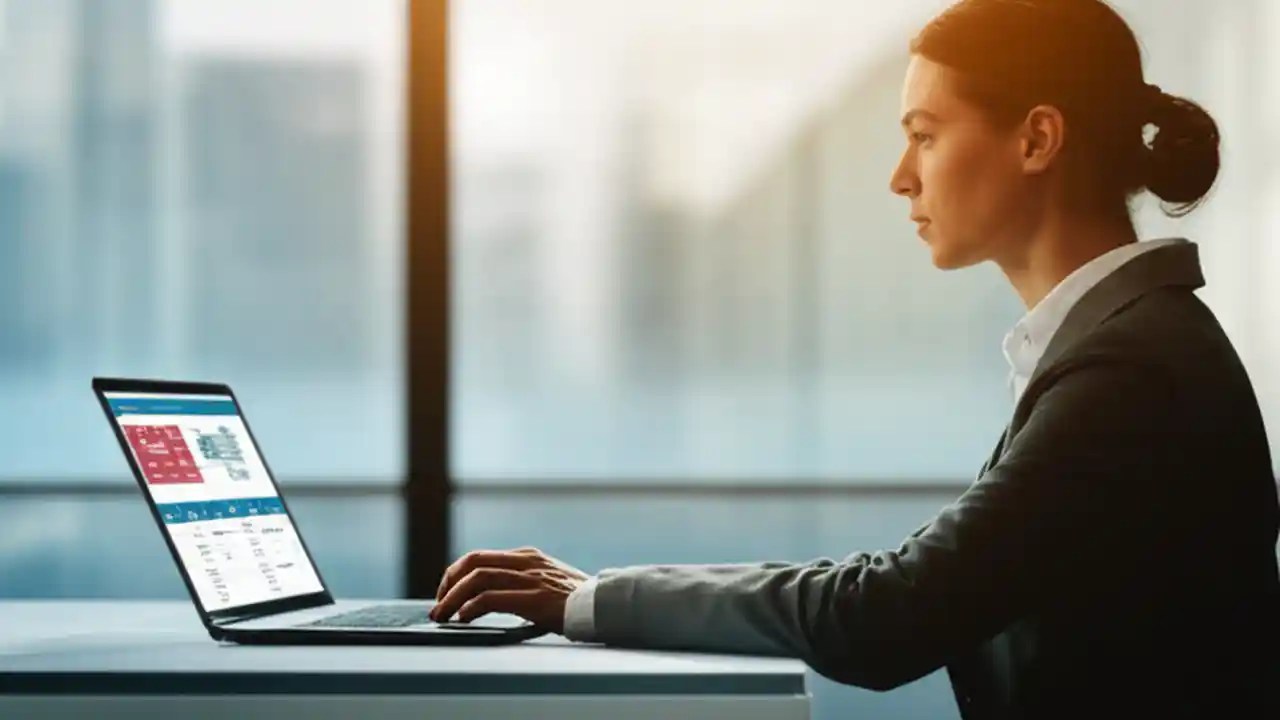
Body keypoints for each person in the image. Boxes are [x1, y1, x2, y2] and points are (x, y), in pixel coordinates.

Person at [430, 1, 1280, 717]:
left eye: (925, 135)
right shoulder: (1130, 346)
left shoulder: (1129, 375)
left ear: (1037, 139)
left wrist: (595, 599)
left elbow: (885, 614)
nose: (900, 177)